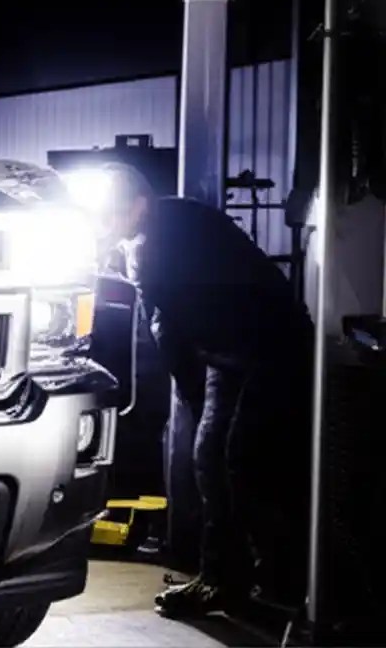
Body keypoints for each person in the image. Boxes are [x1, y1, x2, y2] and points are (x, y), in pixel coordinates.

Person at [90, 163, 314, 618]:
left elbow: (166, 333)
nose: (104, 226)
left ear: (137, 206)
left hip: (270, 349)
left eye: (110, 216)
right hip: (229, 354)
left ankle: (279, 579)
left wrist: (192, 396)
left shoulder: (154, 246)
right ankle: (226, 579)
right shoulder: (165, 224)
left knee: (242, 460)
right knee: (212, 459)